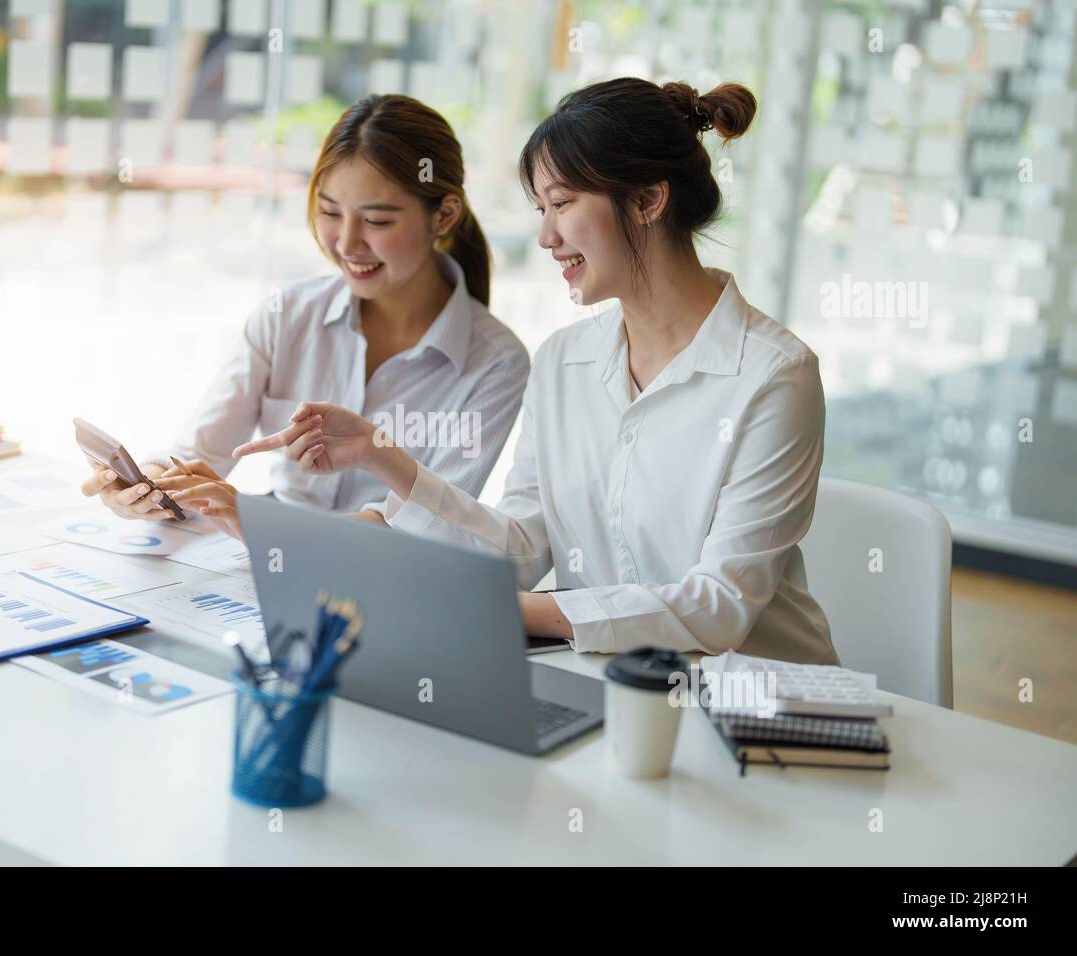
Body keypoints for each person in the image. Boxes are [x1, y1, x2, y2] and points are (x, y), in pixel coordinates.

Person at [227, 78, 838, 665]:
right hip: (618, 685)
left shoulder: (774, 375)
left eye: (563, 204)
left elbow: (720, 607)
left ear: (650, 199)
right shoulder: (563, 361)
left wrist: (520, 613)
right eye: (542, 208)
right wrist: (378, 454)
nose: (546, 236)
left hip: (764, 710)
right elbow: (519, 548)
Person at [79, 94, 529, 539]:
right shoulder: (287, 315)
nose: (347, 243)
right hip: (265, 549)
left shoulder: (495, 362)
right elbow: (199, 454)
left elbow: (426, 527)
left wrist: (261, 523)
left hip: (385, 579)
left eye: (377, 221)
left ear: (444, 216)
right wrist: (147, 487)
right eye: (330, 212)